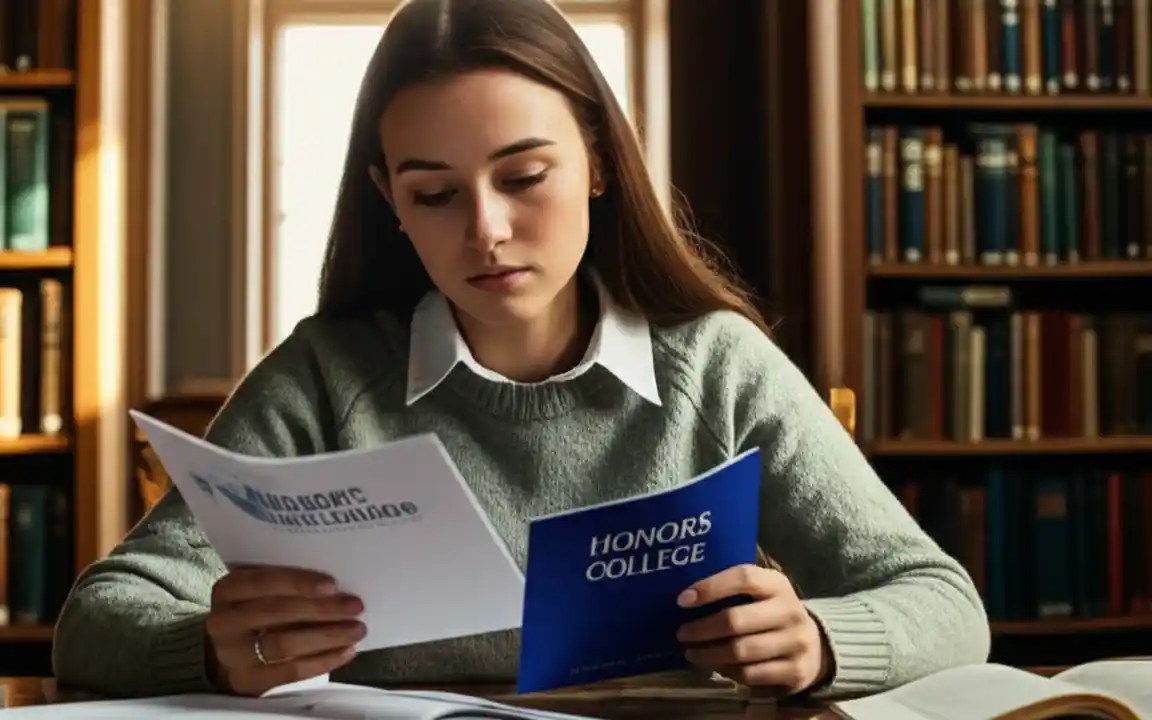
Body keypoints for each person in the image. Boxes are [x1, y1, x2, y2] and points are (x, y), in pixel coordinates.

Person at [52, 0, 990, 701]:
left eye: (524, 176)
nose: (488, 230)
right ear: (390, 201)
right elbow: (96, 623)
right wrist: (213, 650)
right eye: (435, 194)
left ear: (600, 163)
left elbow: (945, 604)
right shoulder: (327, 377)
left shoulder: (715, 365)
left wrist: (819, 641)